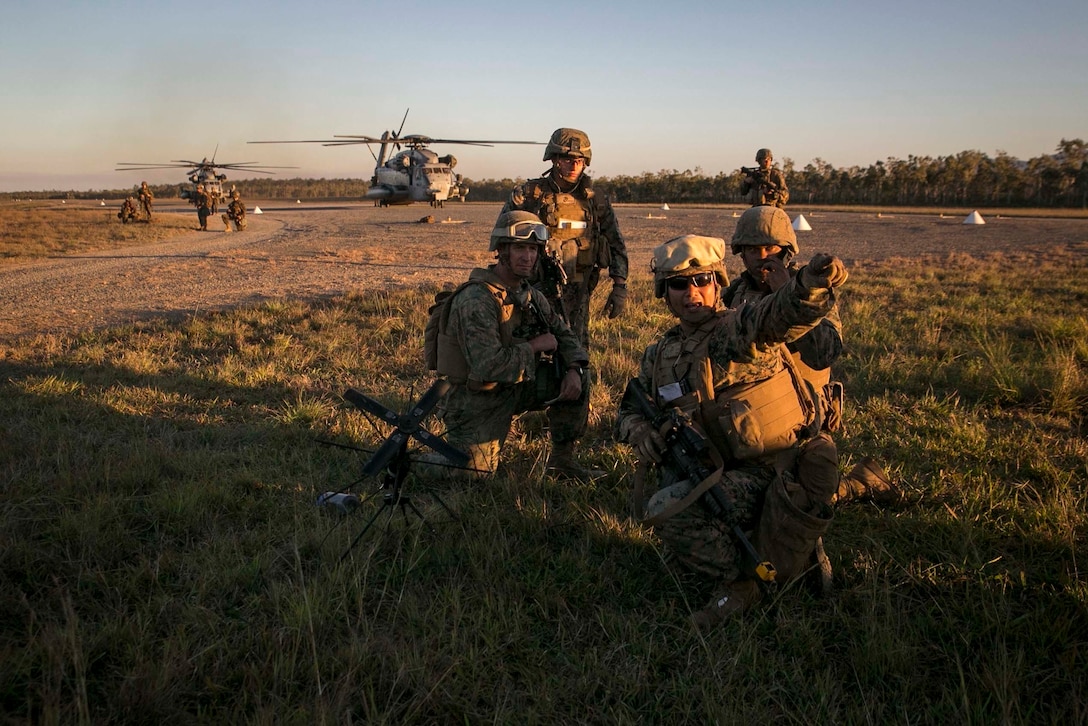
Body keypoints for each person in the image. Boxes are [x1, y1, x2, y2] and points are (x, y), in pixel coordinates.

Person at [616, 234, 848, 628]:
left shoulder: (735, 332)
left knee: (668, 510)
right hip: (716, 467)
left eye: (702, 280)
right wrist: (641, 432)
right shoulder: (660, 353)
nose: (692, 293)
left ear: (718, 283)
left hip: (770, 471)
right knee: (674, 501)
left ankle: (746, 581)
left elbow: (778, 314)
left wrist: (808, 284)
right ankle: (773, 542)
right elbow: (626, 410)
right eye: (678, 284)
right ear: (663, 292)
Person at [723, 206, 897, 506]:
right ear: (741, 253)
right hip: (747, 414)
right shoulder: (735, 292)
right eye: (753, 250)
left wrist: (789, 297)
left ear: (787, 252)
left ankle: (859, 483)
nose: (763, 257)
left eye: (771, 248)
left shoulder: (811, 293)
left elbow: (823, 353)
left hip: (800, 415)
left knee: (801, 500)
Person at [422, 210, 593, 479]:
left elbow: (564, 334)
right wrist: (535, 346)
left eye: (533, 249)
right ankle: (407, 463)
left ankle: (562, 462)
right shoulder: (478, 300)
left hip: (516, 387)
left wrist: (574, 367)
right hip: (477, 398)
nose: (528, 257)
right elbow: (489, 366)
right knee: (473, 474)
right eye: (520, 249)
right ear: (501, 251)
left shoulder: (530, 294)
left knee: (581, 377)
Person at [499, 128, 629, 478]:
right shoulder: (527, 195)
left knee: (575, 368)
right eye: (565, 158)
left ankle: (563, 456)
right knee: (512, 364)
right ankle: (491, 439)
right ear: (552, 159)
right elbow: (501, 241)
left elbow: (616, 244)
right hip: (526, 299)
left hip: (576, 302)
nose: (572, 165)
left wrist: (620, 285)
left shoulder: (596, 200)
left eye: (579, 159)